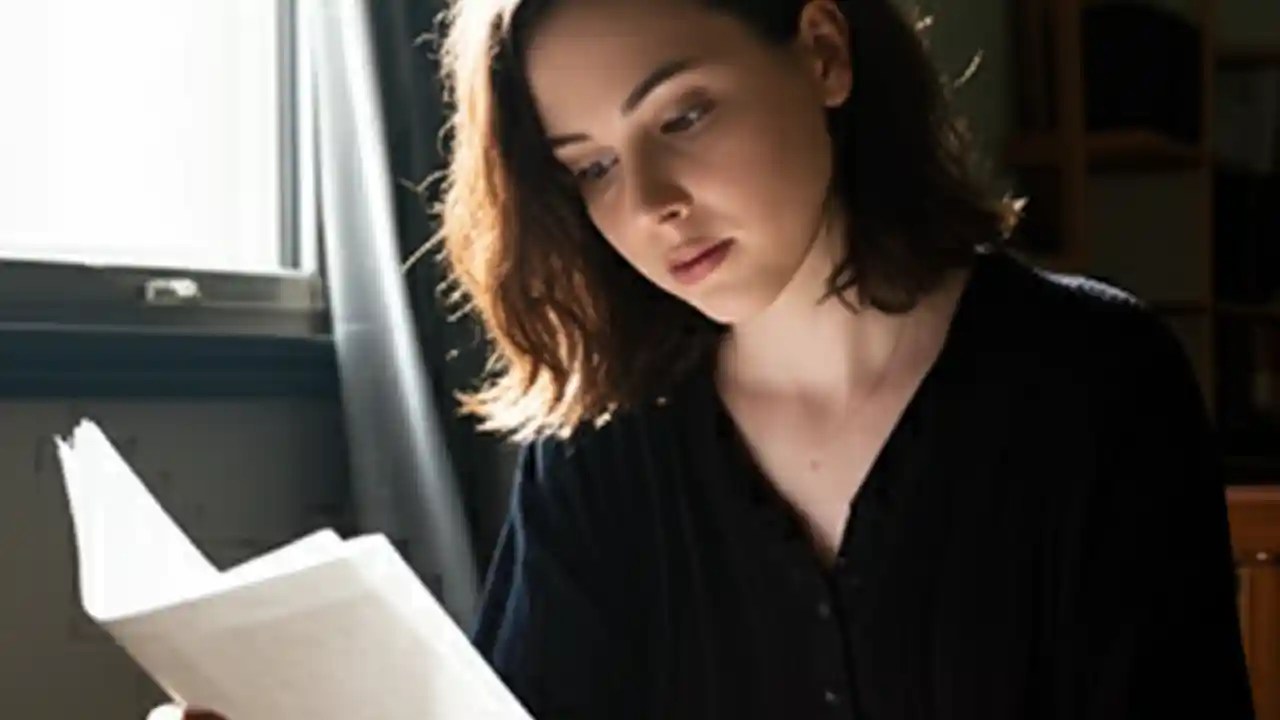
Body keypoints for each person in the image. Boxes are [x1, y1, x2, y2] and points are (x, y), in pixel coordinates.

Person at [160, 0, 1254, 718]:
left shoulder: (1091, 381)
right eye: (588, 168)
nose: (647, 206)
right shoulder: (596, 449)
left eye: (681, 115)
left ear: (822, 52)